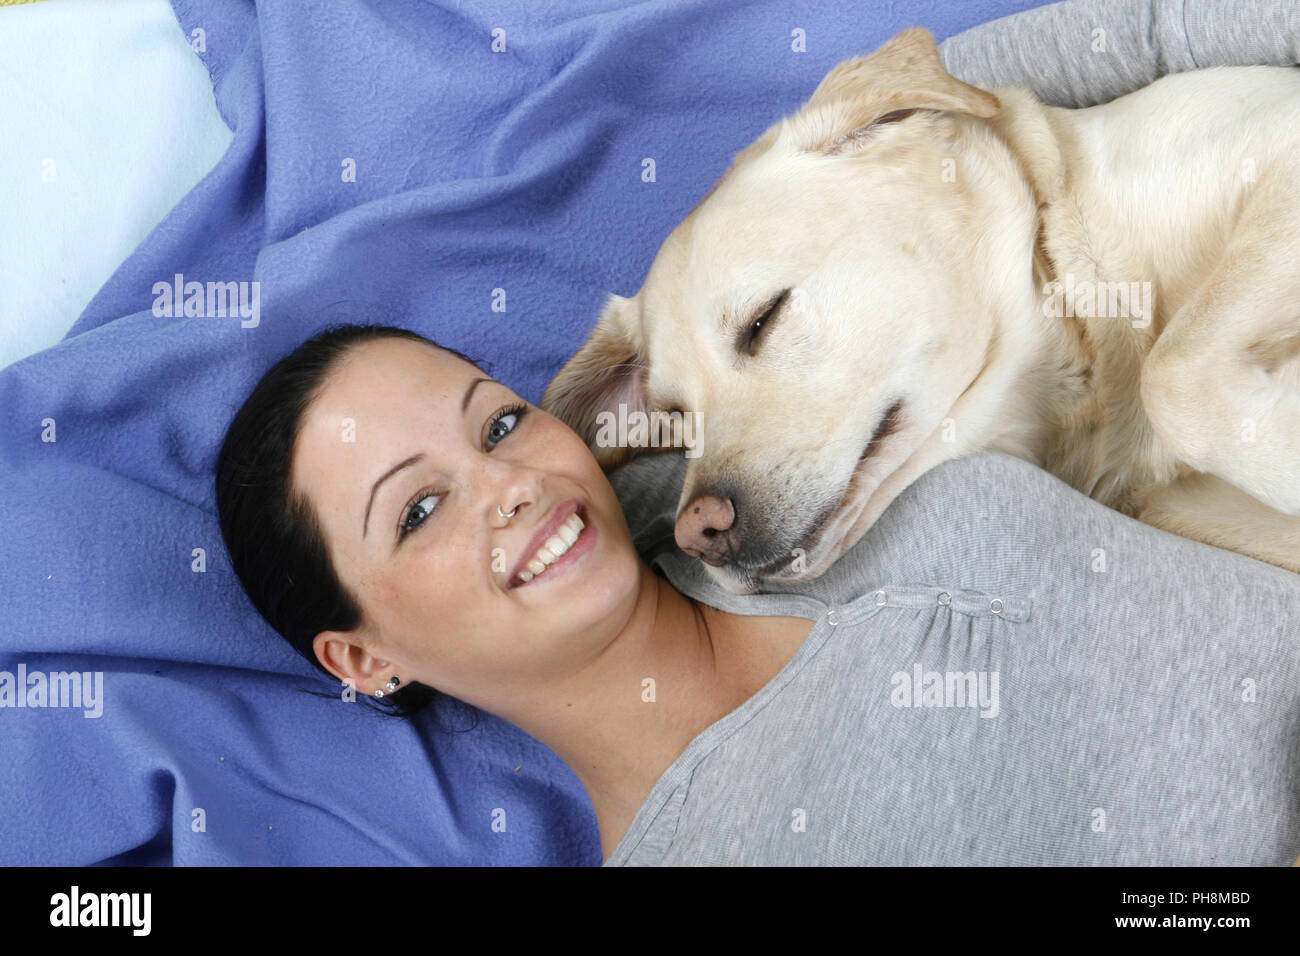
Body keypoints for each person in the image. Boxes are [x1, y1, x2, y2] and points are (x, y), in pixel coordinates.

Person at [216, 324, 1300, 865]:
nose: (509, 483)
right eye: (416, 510)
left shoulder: (730, 467)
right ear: (363, 657)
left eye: (498, 423)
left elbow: (883, 144)